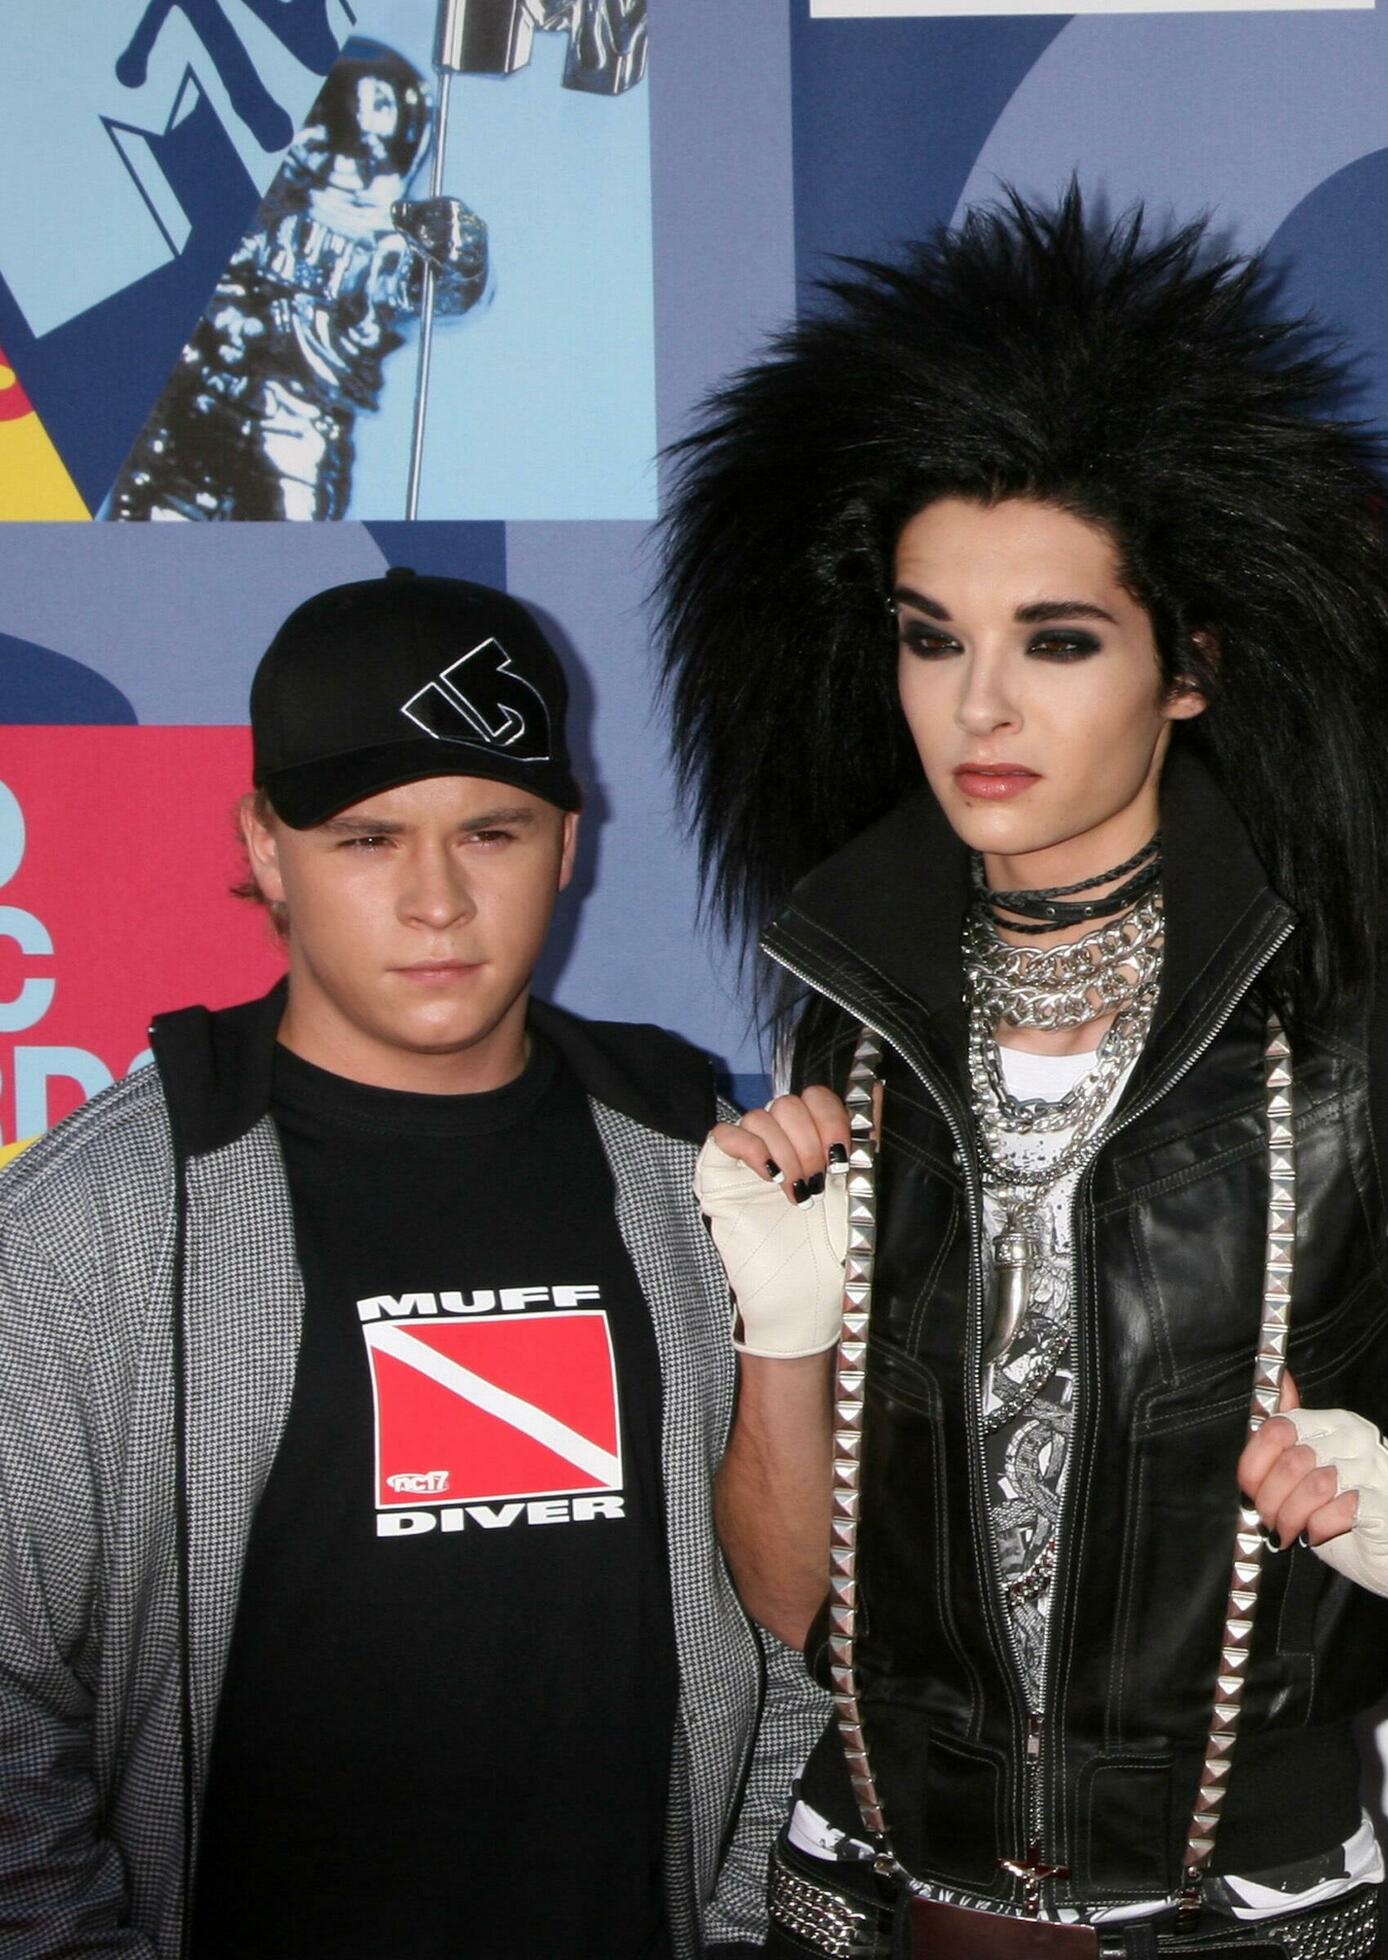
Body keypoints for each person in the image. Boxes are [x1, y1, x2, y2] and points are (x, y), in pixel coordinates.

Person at [653, 192, 1388, 1957]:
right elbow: (781, 1596)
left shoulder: (1377, 1052)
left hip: (1239, 1919)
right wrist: (781, 1328)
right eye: (928, 633)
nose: (979, 708)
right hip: (875, 1912)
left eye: (1056, 639)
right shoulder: (852, 1035)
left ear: (1189, 666)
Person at [0, 568, 822, 1955]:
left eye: (489, 830)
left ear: (569, 841)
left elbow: (797, 1633)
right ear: (266, 847)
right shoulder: (96, 1223)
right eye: (370, 839)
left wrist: (745, 1930)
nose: (437, 900)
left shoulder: (707, 1180)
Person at [110, 41, 488, 524]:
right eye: (322, 138)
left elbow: (436, 295)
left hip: (295, 440)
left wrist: (462, 258)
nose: (334, 161)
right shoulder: (245, 212)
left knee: (285, 571)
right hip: (189, 417)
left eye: (358, 147)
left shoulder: (382, 251)